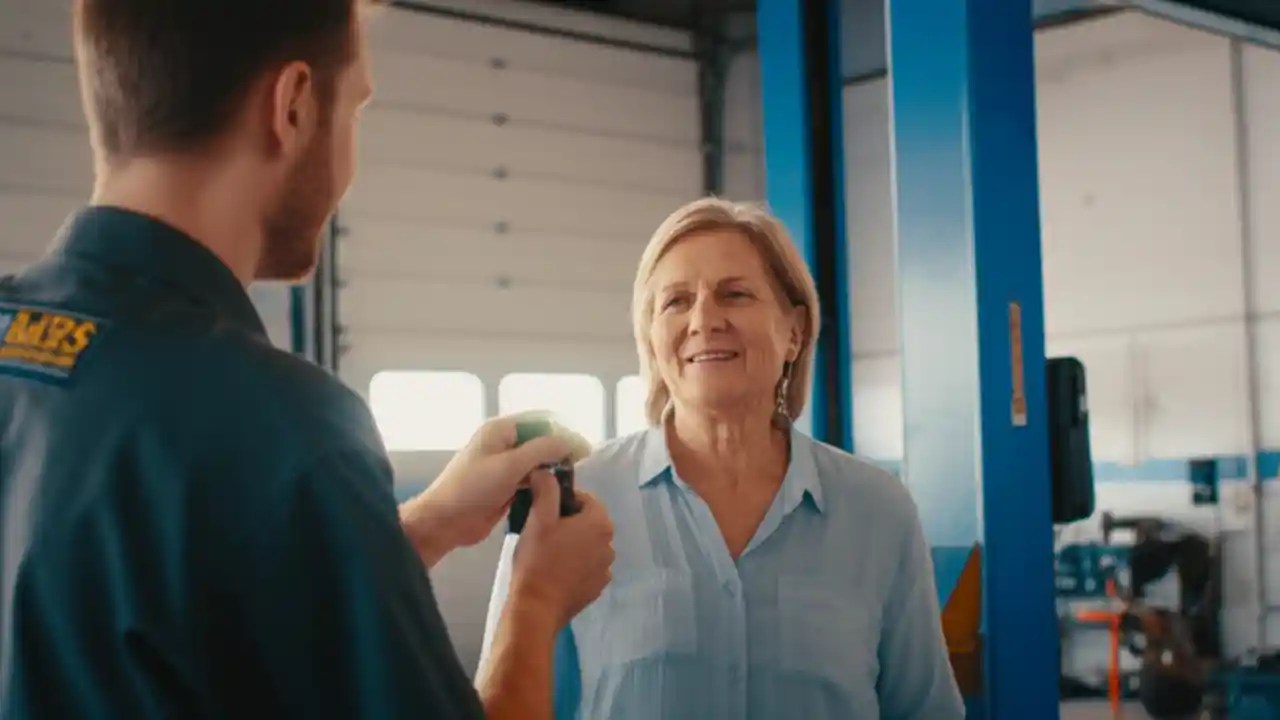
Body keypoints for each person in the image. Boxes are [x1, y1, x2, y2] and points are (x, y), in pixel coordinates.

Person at [0, 1, 614, 718]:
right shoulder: (280, 426)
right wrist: (536, 599)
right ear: (291, 106)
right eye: (354, 109)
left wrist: (427, 527)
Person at [480, 197, 965, 719]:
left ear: (795, 331)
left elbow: (926, 711)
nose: (704, 320)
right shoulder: (570, 504)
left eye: (735, 294)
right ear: (651, 338)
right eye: (676, 301)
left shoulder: (877, 509)